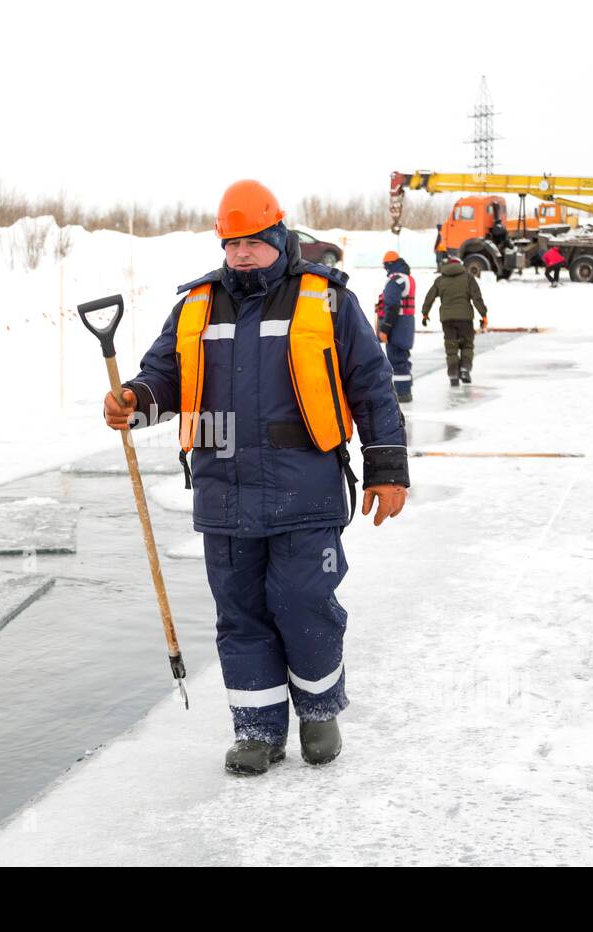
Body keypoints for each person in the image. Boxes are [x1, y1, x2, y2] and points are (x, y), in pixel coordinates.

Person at [103, 180, 409, 775]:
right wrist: (134, 401)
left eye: (253, 243)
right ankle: (257, 728)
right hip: (224, 491)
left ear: (278, 237)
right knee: (239, 613)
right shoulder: (196, 305)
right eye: (231, 243)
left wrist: (387, 467)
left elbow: (372, 387)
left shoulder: (325, 300)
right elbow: (164, 380)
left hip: (307, 487)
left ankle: (319, 711)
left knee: (302, 603)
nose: (241, 254)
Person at [421, 255, 488, 386]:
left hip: (447, 319)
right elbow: (477, 298)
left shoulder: (440, 280)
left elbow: (429, 298)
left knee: (451, 347)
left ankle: (453, 375)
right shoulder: (468, 278)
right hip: (465, 318)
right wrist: (483, 314)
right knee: (467, 345)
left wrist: (425, 314)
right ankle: (465, 369)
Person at [377, 251, 416, 403]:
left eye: (385, 266)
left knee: (397, 359)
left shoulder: (396, 279)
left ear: (390, 265)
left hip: (396, 325)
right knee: (403, 358)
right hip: (406, 323)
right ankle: (406, 388)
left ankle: (402, 394)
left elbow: (392, 305)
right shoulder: (407, 278)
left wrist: (385, 328)